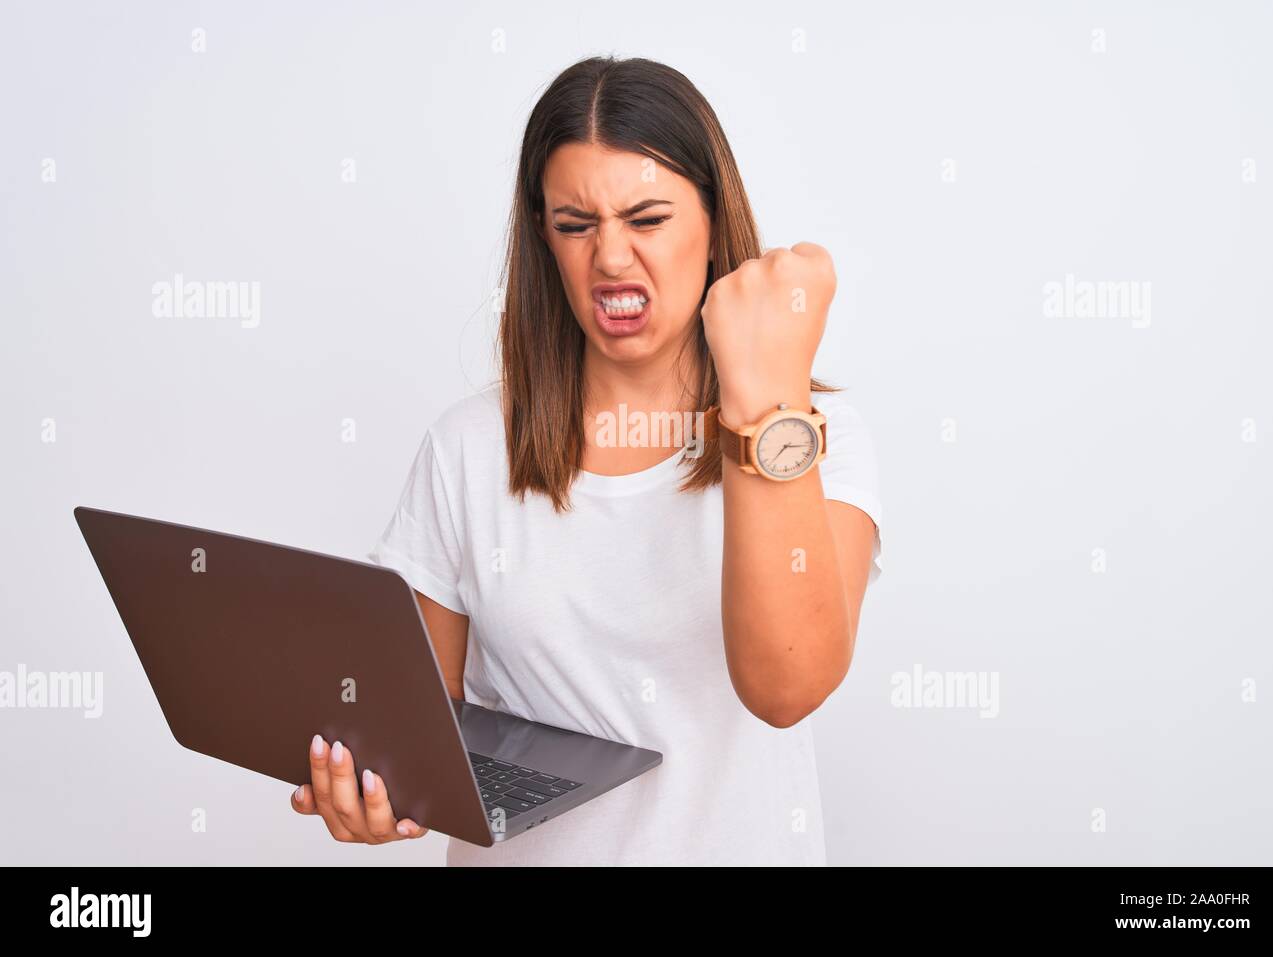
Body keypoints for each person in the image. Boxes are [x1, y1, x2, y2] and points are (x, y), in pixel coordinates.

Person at [289, 54, 885, 866]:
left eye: (647, 220)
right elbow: (411, 736)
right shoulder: (467, 448)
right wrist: (370, 789)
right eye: (576, 224)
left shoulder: (815, 435)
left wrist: (764, 394)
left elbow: (787, 685)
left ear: (713, 223)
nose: (609, 259)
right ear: (544, 234)